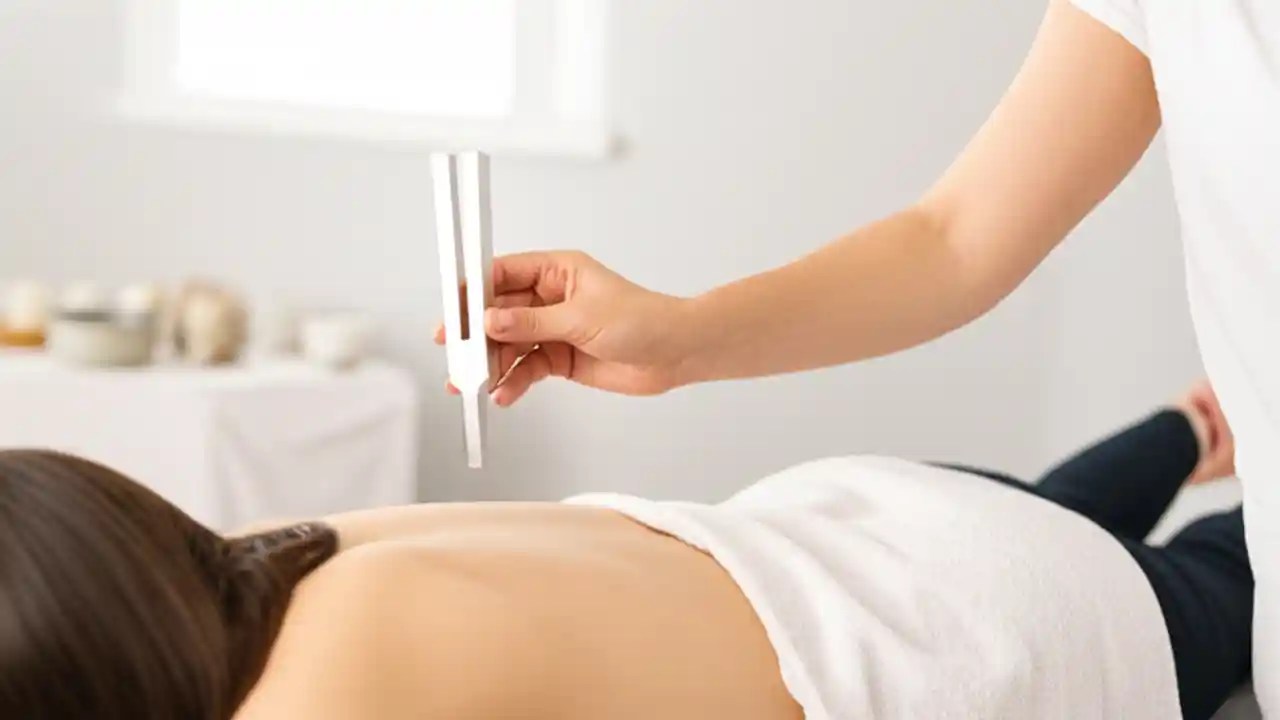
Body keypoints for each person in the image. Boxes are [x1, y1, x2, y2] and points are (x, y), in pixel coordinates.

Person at [446, 1, 1280, 709]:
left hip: (1035, 576)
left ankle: (1194, 431)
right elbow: (953, 241)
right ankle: (1194, 430)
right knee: (1036, 525)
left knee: (1079, 543)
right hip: (918, 529)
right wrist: (674, 338)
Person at [0, 381, 1250, 719]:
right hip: (870, 521)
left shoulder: (310, 702)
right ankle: (1195, 423)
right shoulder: (279, 559)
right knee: (1019, 527)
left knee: (1223, 585)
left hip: (991, 646)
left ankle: (1212, 463)